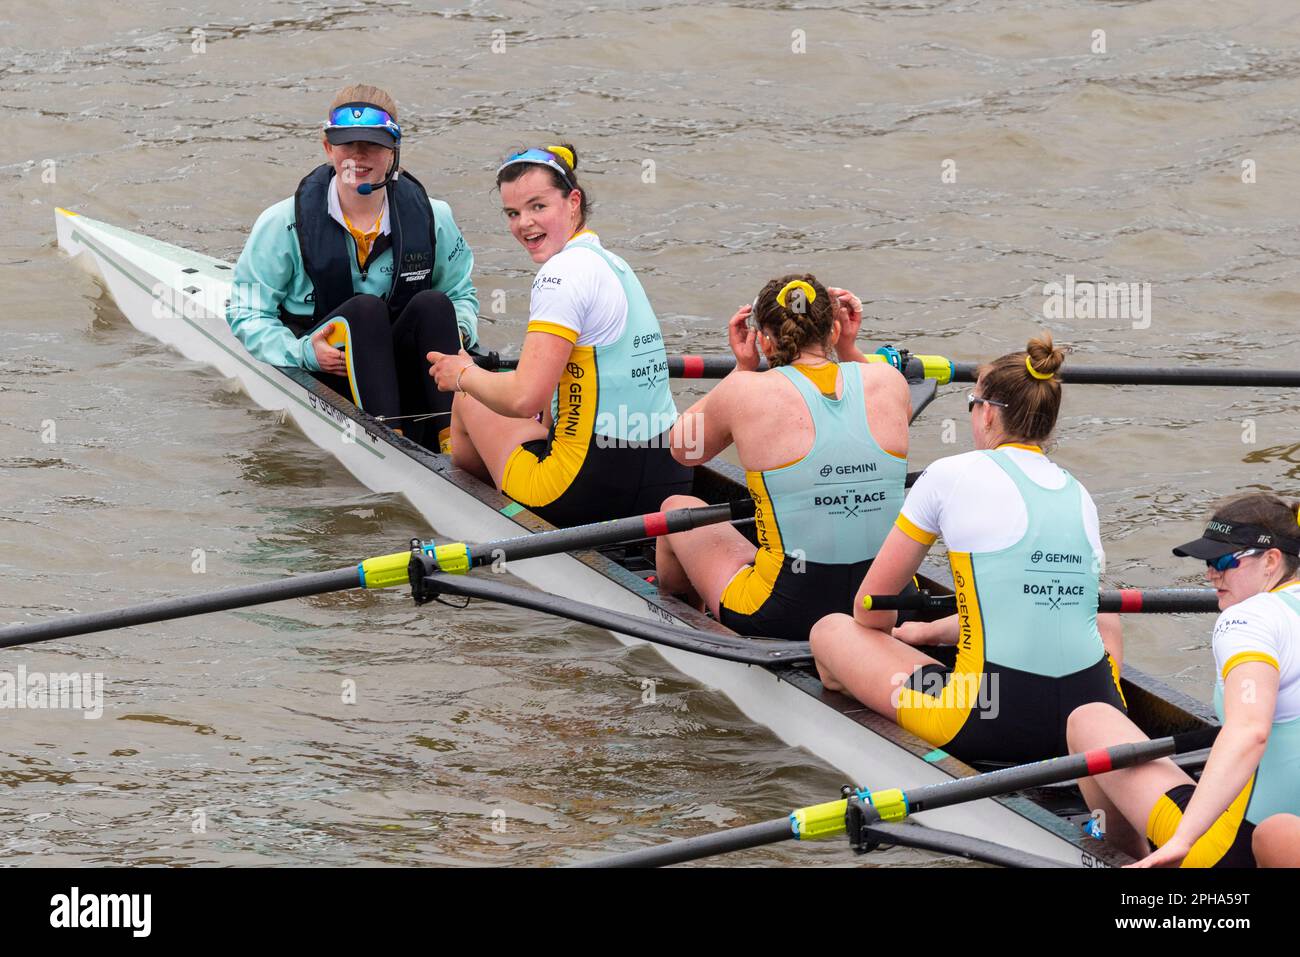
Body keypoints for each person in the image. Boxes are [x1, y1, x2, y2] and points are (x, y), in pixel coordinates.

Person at [810, 334, 1126, 764]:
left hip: (987, 719)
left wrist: (897, 643)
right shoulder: (1080, 495)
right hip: (1094, 717)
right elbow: (1023, 607)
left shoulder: (949, 475)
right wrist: (925, 632)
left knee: (831, 631)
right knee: (1102, 612)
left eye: (972, 404)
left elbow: (871, 608)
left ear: (990, 414)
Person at [427, 145, 691, 526]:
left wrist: (462, 374)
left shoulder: (560, 275)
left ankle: (478, 514)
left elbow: (523, 397)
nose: (524, 224)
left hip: (586, 495)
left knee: (469, 400)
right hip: (668, 482)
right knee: (540, 412)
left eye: (538, 207)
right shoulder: (615, 265)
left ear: (573, 201)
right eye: (513, 213)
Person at [652, 275, 911, 640]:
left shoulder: (745, 389)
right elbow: (885, 416)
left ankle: (685, 631)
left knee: (675, 509)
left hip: (786, 612)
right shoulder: (889, 381)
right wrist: (851, 348)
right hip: (891, 602)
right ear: (835, 330)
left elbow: (682, 450)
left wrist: (740, 369)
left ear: (764, 339)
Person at [226, 84, 477, 451]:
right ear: (328, 148)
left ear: (394, 151)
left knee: (436, 305)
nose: (357, 158)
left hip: (406, 362)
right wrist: (300, 353)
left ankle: (457, 440)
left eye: (372, 145)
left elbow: (460, 293)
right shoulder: (281, 223)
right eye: (347, 144)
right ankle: (391, 443)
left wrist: (462, 336)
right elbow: (246, 311)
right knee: (365, 309)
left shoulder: (434, 217)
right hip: (328, 368)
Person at [1067, 493, 1300, 867]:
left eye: (1223, 562)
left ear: (1271, 561)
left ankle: (1133, 858)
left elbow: (1249, 732)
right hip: (1283, 836)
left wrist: (1183, 840)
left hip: (1230, 851)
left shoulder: (1251, 618)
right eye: (1208, 562)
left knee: (1089, 720)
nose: (1211, 574)